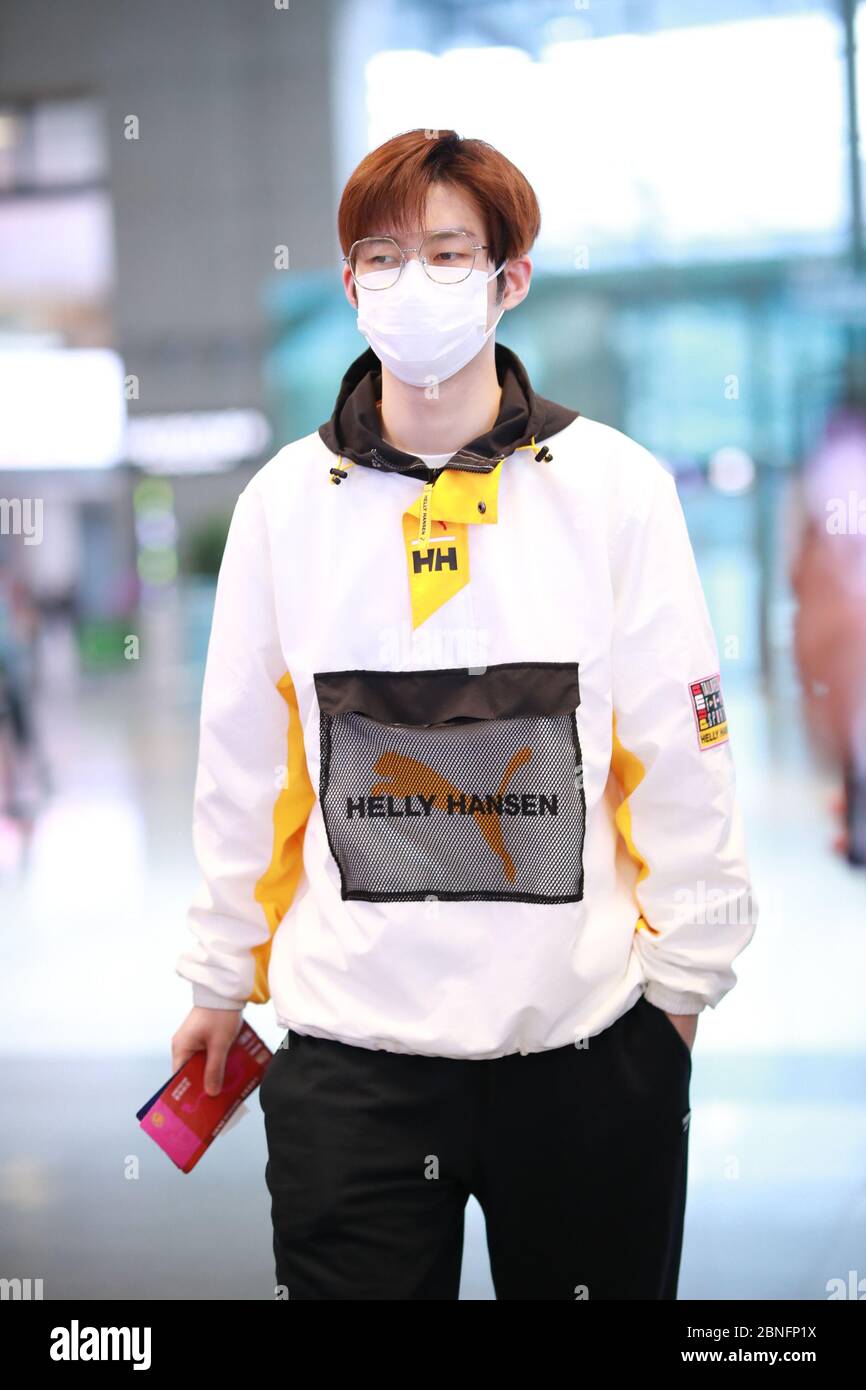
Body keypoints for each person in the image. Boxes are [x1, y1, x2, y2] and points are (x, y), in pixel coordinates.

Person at [171, 129, 758, 1301]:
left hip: (588, 1060)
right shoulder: (284, 506)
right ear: (346, 286)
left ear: (509, 277)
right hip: (352, 1074)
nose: (412, 281)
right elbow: (246, 770)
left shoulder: (614, 489)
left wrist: (676, 1004)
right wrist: (214, 979)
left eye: (448, 252)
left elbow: (677, 754)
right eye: (381, 255)